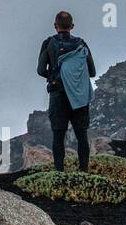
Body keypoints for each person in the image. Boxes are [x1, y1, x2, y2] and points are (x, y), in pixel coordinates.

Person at [36, 11, 97, 172]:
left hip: (58, 94)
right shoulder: (81, 44)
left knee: (58, 134)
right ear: (72, 26)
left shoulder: (49, 43)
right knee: (81, 134)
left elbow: (41, 69)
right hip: (79, 95)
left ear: (55, 26)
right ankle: (84, 170)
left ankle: (59, 172)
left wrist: (54, 76)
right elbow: (92, 71)